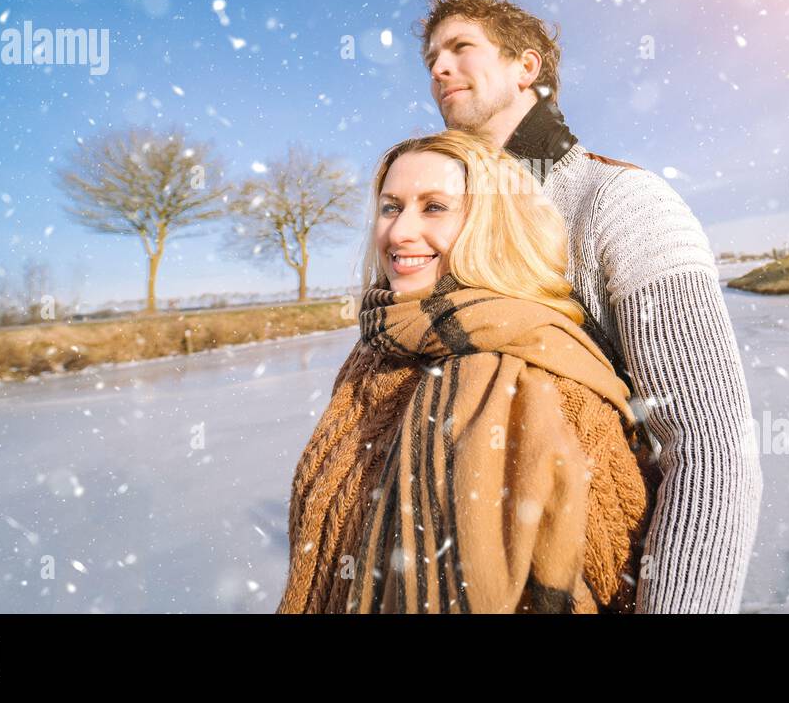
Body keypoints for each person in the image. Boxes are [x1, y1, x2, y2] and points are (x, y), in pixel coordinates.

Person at [415, 0, 763, 614]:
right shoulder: (444, 229)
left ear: (527, 68)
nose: (439, 68)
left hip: (597, 581)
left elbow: (710, 448)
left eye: (461, 48)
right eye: (431, 59)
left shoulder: (622, 202)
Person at [277, 129, 659, 613]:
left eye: (434, 207)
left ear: (492, 225)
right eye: (391, 207)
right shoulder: (374, 353)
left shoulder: (548, 374)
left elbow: (610, 581)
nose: (399, 232)